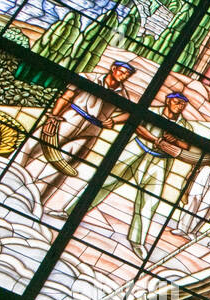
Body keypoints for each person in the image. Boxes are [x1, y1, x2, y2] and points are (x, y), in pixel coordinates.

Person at [74, 91, 194, 256]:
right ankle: (73, 211)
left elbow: (187, 146)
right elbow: (136, 122)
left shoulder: (185, 126)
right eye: (177, 102)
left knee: (150, 201)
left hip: (160, 161)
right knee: (105, 181)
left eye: (183, 104)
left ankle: (137, 241)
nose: (179, 106)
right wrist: (156, 140)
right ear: (168, 101)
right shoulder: (152, 110)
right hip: (135, 150)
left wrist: (176, 141)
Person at [24, 61, 135, 211]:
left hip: (93, 128)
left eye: (127, 75)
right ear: (113, 68)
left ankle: (36, 198)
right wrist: (53, 116)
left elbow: (132, 113)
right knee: (34, 143)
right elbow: (67, 95)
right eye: (122, 72)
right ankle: (7, 172)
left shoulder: (122, 94)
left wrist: (114, 120)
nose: (123, 76)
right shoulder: (88, 78)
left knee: (64, 163)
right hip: (70, 117)